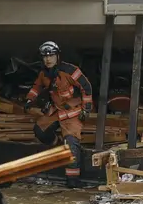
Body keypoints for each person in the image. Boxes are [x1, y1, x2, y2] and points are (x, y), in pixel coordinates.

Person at [25, 41, 93, 188]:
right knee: (40, 130)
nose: (48, 59)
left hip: (72, 112)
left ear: (57, 56)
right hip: (56, 110)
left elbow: (86, 87)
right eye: (45, 56)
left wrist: (86, 109)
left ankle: (73, 179)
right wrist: (29, 100)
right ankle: (58, 144)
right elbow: (37, 87)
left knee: (71, 143)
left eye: (51, 56)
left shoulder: (70, 71)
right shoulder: (44, 73)